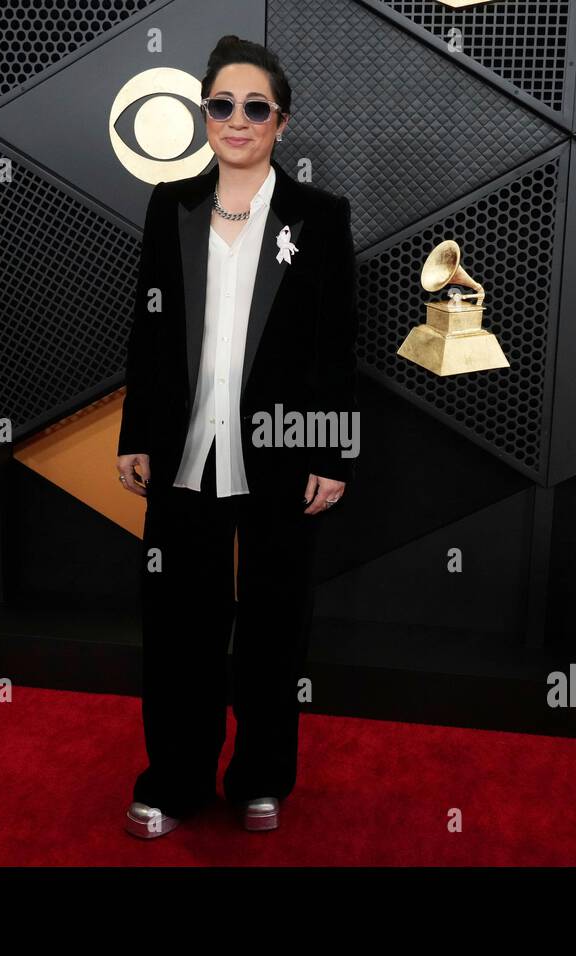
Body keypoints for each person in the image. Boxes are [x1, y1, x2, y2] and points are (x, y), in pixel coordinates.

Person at [115, 34, 359, 838]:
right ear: (205, 116)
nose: (238, 119)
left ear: (281, 122)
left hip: (284, 451)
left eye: (256, 107)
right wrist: (136, 433)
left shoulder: (320, 219)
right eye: (222, 105)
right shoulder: (170, 205)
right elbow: (148, 333)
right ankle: (174, 780)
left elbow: (335, 344)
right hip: (185, 452)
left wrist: (329, 449)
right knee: (179, 627)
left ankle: (261, 778)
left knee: (273, 624)